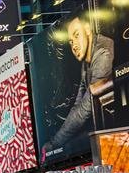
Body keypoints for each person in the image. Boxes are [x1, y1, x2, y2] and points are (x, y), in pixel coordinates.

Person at [44, 15, 114, 158]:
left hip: (116, 131)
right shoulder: (86, 61)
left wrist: (54, 144)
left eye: (77, 36)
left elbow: (84, 109)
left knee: (71, 146)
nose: (74, 45)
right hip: (106, 133)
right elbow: (78, 104)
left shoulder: (102, 53)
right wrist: (53, 144)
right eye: (71, 42)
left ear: (87, 30)